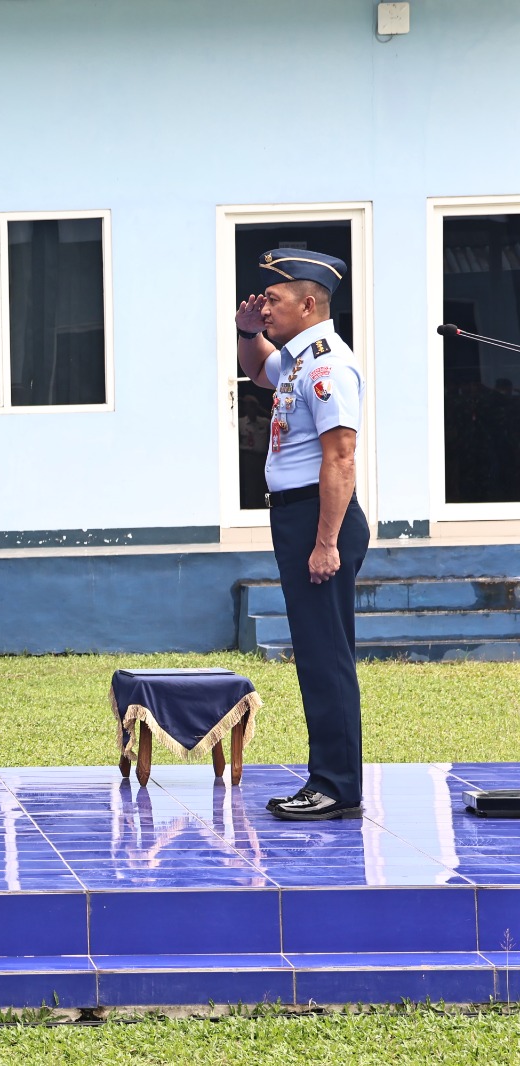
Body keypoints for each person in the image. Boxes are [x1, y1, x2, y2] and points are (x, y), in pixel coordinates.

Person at [234, 248, 369, 822]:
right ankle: (331, 779)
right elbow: (259, 372)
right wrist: (245, 334)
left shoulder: (327, 368)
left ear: (308, 304)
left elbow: (341, 458)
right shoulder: (298, 358)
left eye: (274, 300)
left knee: (324, 657)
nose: (264, 307)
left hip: (319, 517)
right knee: (318, 653)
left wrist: (325, 542)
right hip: (298, 516)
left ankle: (335, 785)